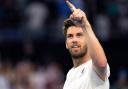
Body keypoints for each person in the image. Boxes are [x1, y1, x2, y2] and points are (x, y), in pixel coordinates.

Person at [62, 1, 110, 89]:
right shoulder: (70, 74)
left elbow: (102, 64)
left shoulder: (93, 67)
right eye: (70, 36)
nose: (74, 40)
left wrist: (85, 25)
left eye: (79, 35)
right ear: (66, 44)